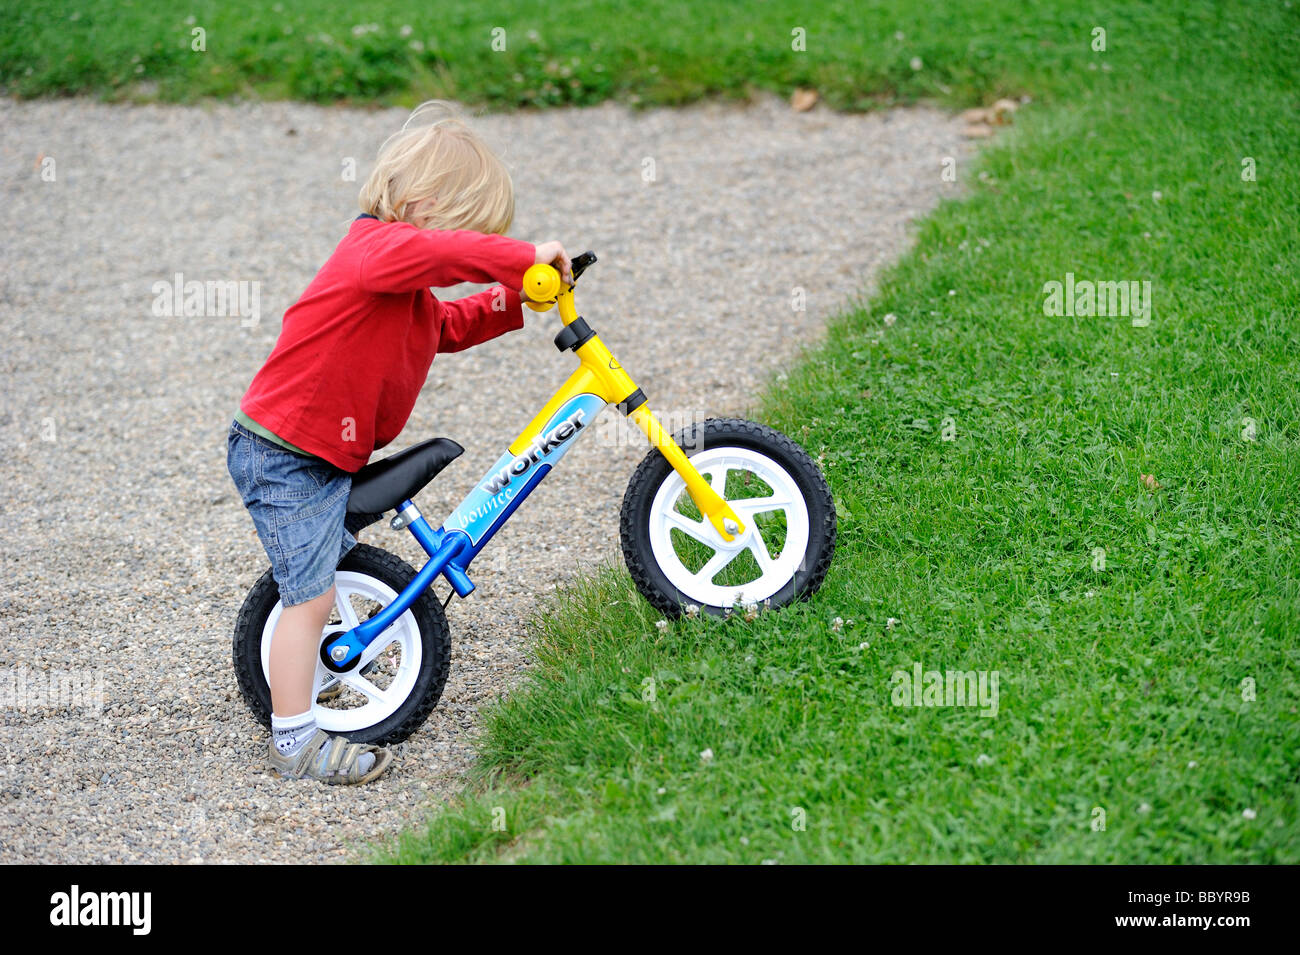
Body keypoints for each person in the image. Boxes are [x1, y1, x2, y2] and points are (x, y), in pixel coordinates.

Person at [226, 101, 571, 784]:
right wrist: (519, 257)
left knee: (323, 580)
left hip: (320, 453)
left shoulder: (404, 289)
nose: (469, 249)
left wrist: (512, 301)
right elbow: (442, 255)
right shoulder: (374, 251)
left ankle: (303, 686)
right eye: (470, 232)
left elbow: (446, 323)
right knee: (310, 597)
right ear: (420, 205)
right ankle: (295, 742)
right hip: (283, 453)